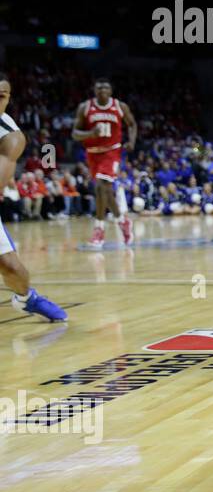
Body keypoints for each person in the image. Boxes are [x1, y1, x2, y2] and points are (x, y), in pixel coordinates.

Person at [0, 73, 67, 321]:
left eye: (2, 96)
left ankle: (28, 300)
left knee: (13, 269)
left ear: (8, 99)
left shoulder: (11, 137)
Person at [71, 77, 136, 248]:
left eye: (105, 88)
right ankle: (122, 221)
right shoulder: (85, 108)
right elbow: (75, 134)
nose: (102, 91)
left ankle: (99, 229)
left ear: (111, 91)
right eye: (99, 88)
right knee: (105, 190)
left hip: (112, 151)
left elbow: (132, 124)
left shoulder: (120, 106)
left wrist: (132, 141)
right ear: (94, 90)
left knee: (100, 186)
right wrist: (90, 134)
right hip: (92, 153)